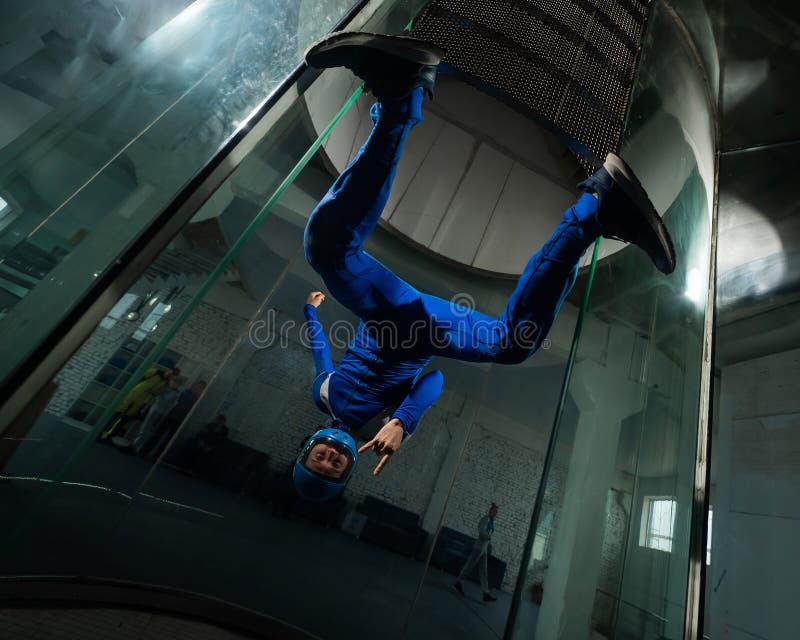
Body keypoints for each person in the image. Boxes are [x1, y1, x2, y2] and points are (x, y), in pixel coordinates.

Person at [293, 32, 675, 501]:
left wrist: (311, 310)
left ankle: (400, 94)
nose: (330, 457)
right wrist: (402, 421)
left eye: (318, 460)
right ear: (349, 466)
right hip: (424, 332)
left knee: (326, 251)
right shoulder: (381, 427)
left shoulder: (322, 394)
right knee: (512, 347)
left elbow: (321, 352)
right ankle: (598, 211)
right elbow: (433, 380)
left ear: (308, 448)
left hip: (383, 311)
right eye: (335, 468)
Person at [454, 503, 500, 602]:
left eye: (497, 512)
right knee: (469, 566)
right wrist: (488, 537)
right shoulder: (485, 519)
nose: (496, 513)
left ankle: (485, 593)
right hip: (479, 547)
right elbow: (481, 531)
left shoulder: (492, 522)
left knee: (484, 571)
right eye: (494, 511)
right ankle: (458, 583)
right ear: (490, 511)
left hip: (484, 549)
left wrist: (488, 540)